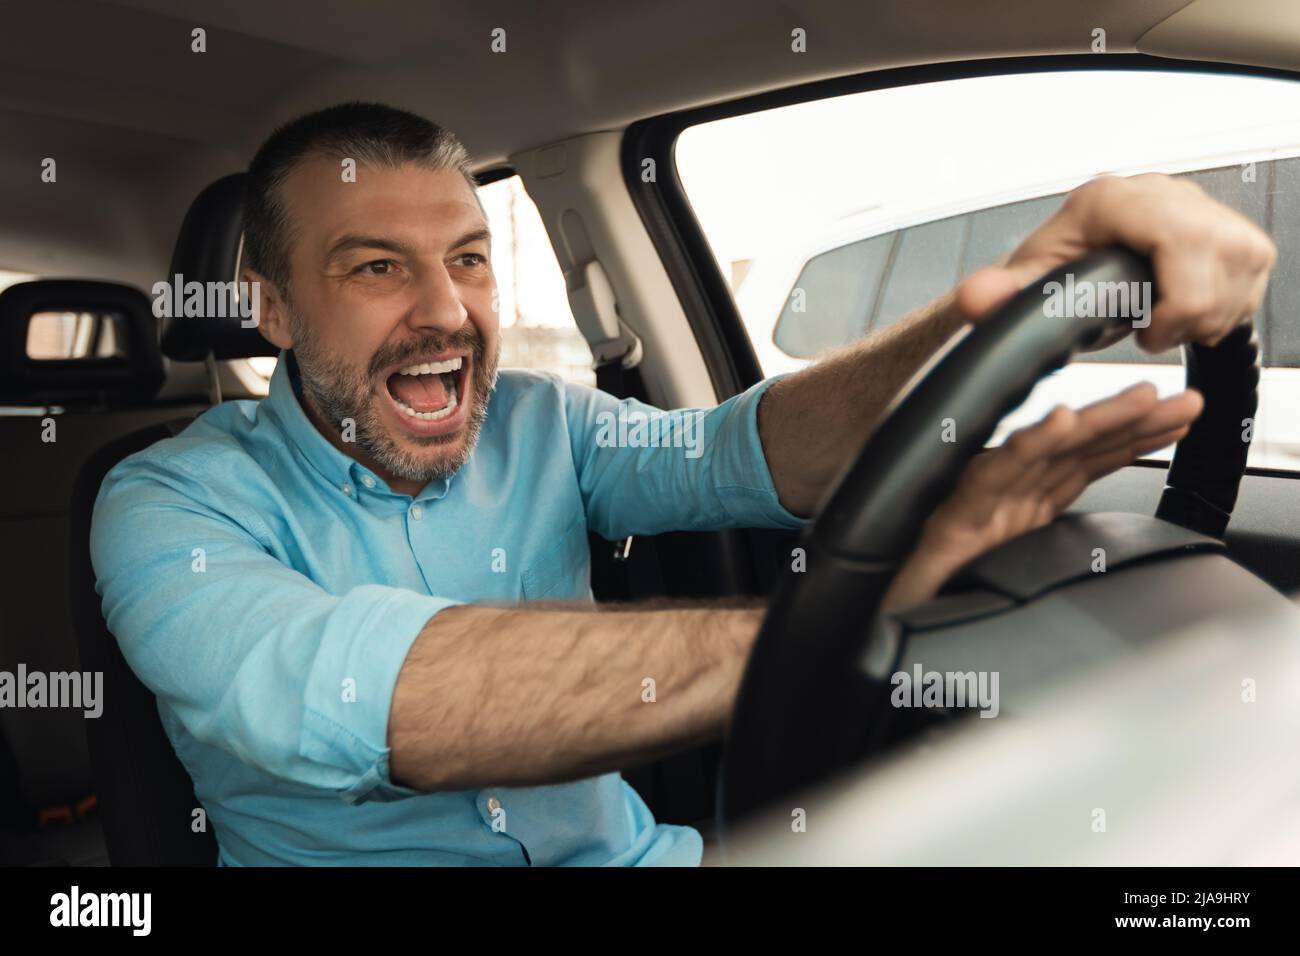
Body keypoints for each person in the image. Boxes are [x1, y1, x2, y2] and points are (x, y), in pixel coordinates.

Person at [90, 103, 1274, 866]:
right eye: (376, 268)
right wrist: (863, 610)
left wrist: (1010, 289)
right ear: (272, 307)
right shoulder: (164, 504)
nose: (446, 311)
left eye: (465, 259)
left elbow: (742, 452)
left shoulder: (545, 421)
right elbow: (377, 700)